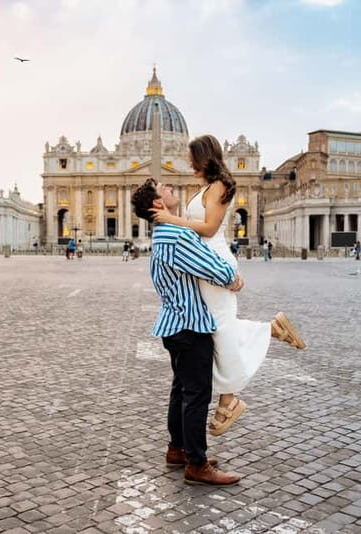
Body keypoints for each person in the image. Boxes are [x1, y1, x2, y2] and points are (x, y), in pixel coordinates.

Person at [151, 134, 305, 437]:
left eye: (191, 157)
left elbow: (208, 228)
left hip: (215, 260)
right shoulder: (205, 188)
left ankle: (229, 399)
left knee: (219, 329)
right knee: (219, 327)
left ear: (203, 157)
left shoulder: (220, 186)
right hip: (204, 260)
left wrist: (172, 219)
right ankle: (269, 333)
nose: (187, 162)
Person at [131, 178, 243, 486]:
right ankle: (197, 463)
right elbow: (213, 267)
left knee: (181, 391)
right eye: (164, 187)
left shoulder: (163, 234)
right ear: (158, 204)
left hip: (173, 323)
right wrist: (231, 275)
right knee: (196, 395)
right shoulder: (176, 235)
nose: (170, 187)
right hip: (190, 324)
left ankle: (177, 449)